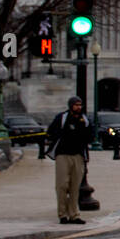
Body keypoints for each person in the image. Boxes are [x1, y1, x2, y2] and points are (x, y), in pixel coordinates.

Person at [45, 95, 94, 225]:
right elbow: (50, 132)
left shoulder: (85, 120)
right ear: (70, 106)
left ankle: (74, 215)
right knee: (62, 185)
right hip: (63, 155)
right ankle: (62, 214)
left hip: (78, 156)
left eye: (80, 105)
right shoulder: (62, 118)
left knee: (75, 187)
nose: (78, 107)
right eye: (76, 105)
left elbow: (90, 136)